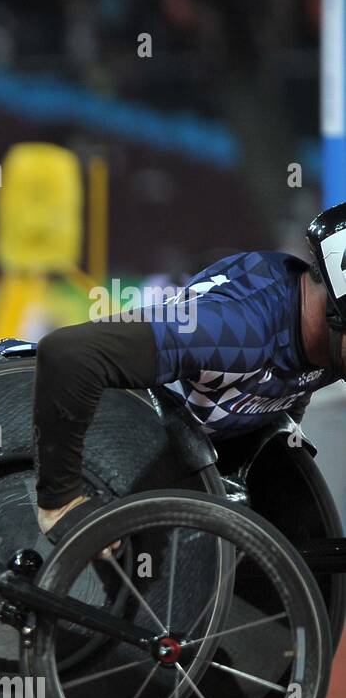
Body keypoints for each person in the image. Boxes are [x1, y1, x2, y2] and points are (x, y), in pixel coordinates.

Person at [34, 204, 346, 542]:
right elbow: (67, 353)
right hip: (94, 452)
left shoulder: (326, 346)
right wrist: (62, 505)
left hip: (180, 468)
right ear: (334, 311)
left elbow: (289, 387)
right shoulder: (237, 331)